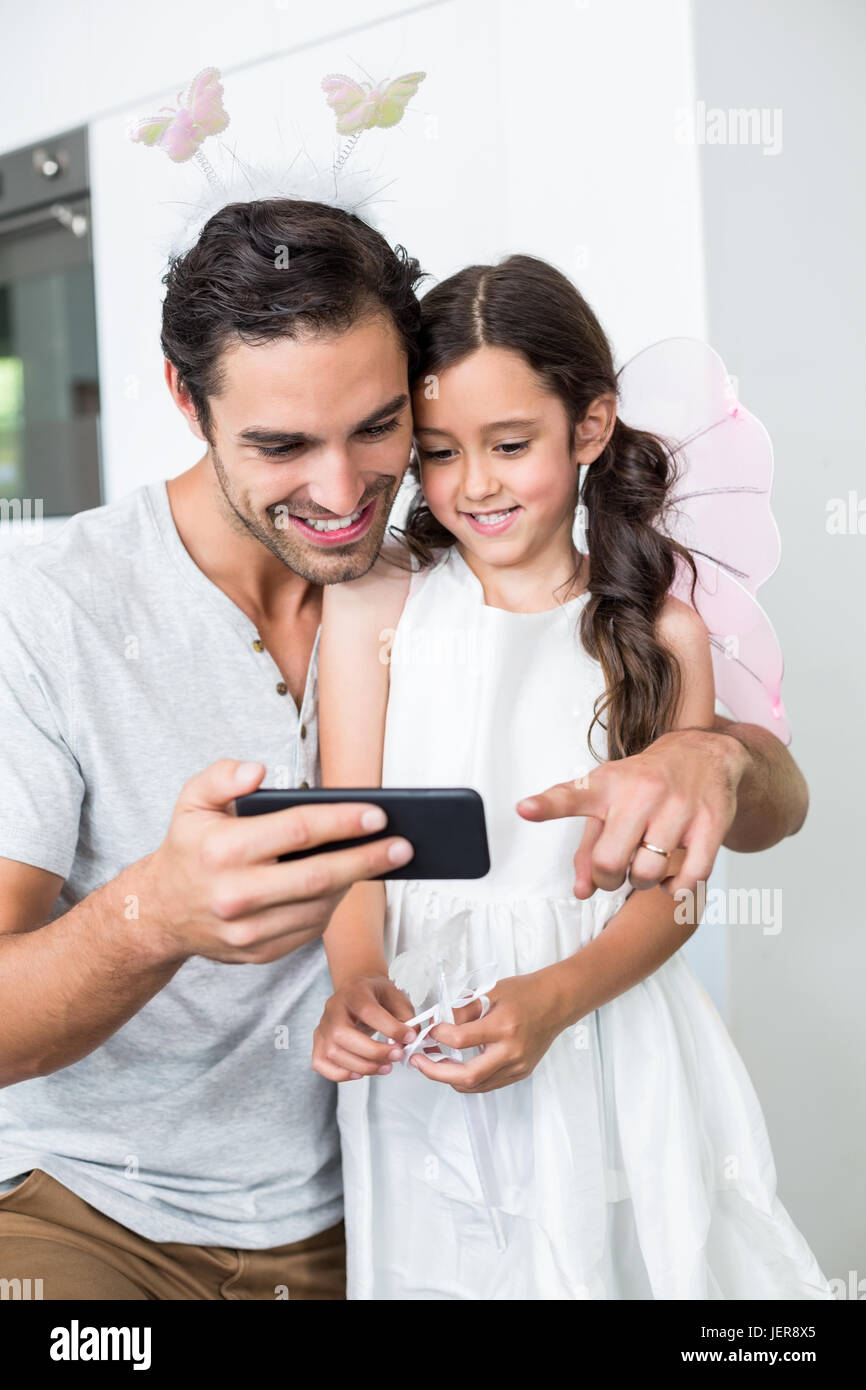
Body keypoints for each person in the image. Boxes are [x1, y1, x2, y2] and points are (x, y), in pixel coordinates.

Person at [0, 198, 807, 1301]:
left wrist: (709, 756)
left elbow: (758, 808)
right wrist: (158, 915)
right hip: (96, 1213)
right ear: (187, 400)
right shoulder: (48, 614)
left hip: (394, 1174)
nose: (342, 496)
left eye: (377, 430)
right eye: (282, 444)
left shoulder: (469, 592)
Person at [313, 253, 832, 1300]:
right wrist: (351, 979)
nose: (475, 485)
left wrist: (555, 998)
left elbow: (675, 898)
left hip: (603, 1027)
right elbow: (348, 844)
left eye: (511, 445)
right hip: (425, 1036)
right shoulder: (375, 605)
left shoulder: (658, 630)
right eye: (440, 454)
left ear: (588, 426)